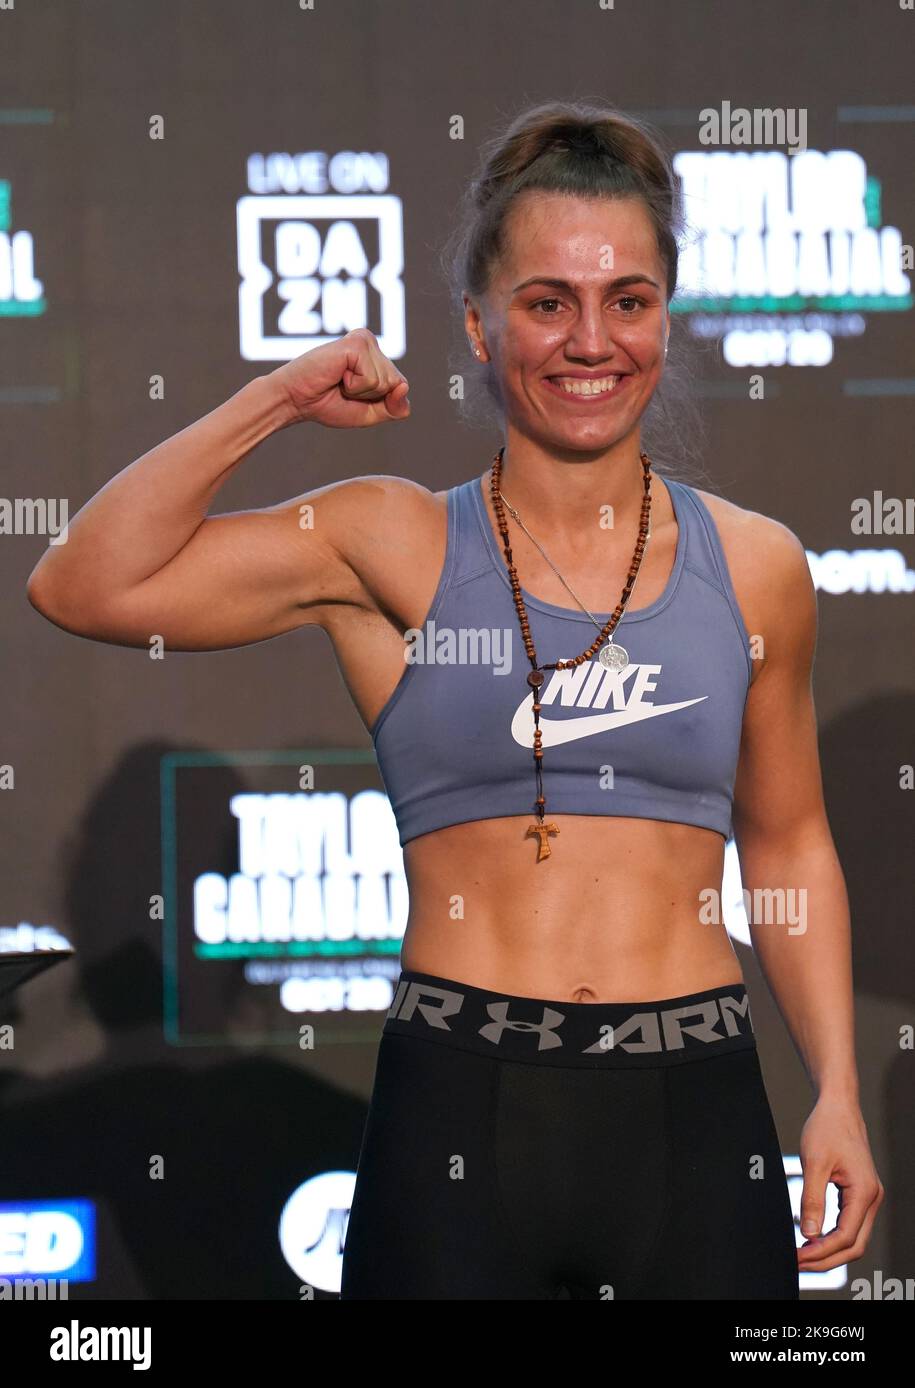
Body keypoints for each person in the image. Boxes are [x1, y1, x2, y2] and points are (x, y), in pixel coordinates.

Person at [27, 99, 883, 1301]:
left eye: (626, 300)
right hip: (461, 1104)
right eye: (548, 303)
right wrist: (279, 397)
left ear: (665, 317)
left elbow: (789, 839)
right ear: (480, 327)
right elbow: (82, 580)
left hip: (696, 1110)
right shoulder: (392, 540)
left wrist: (837, 1087)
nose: (592, 341)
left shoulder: (756, 567)